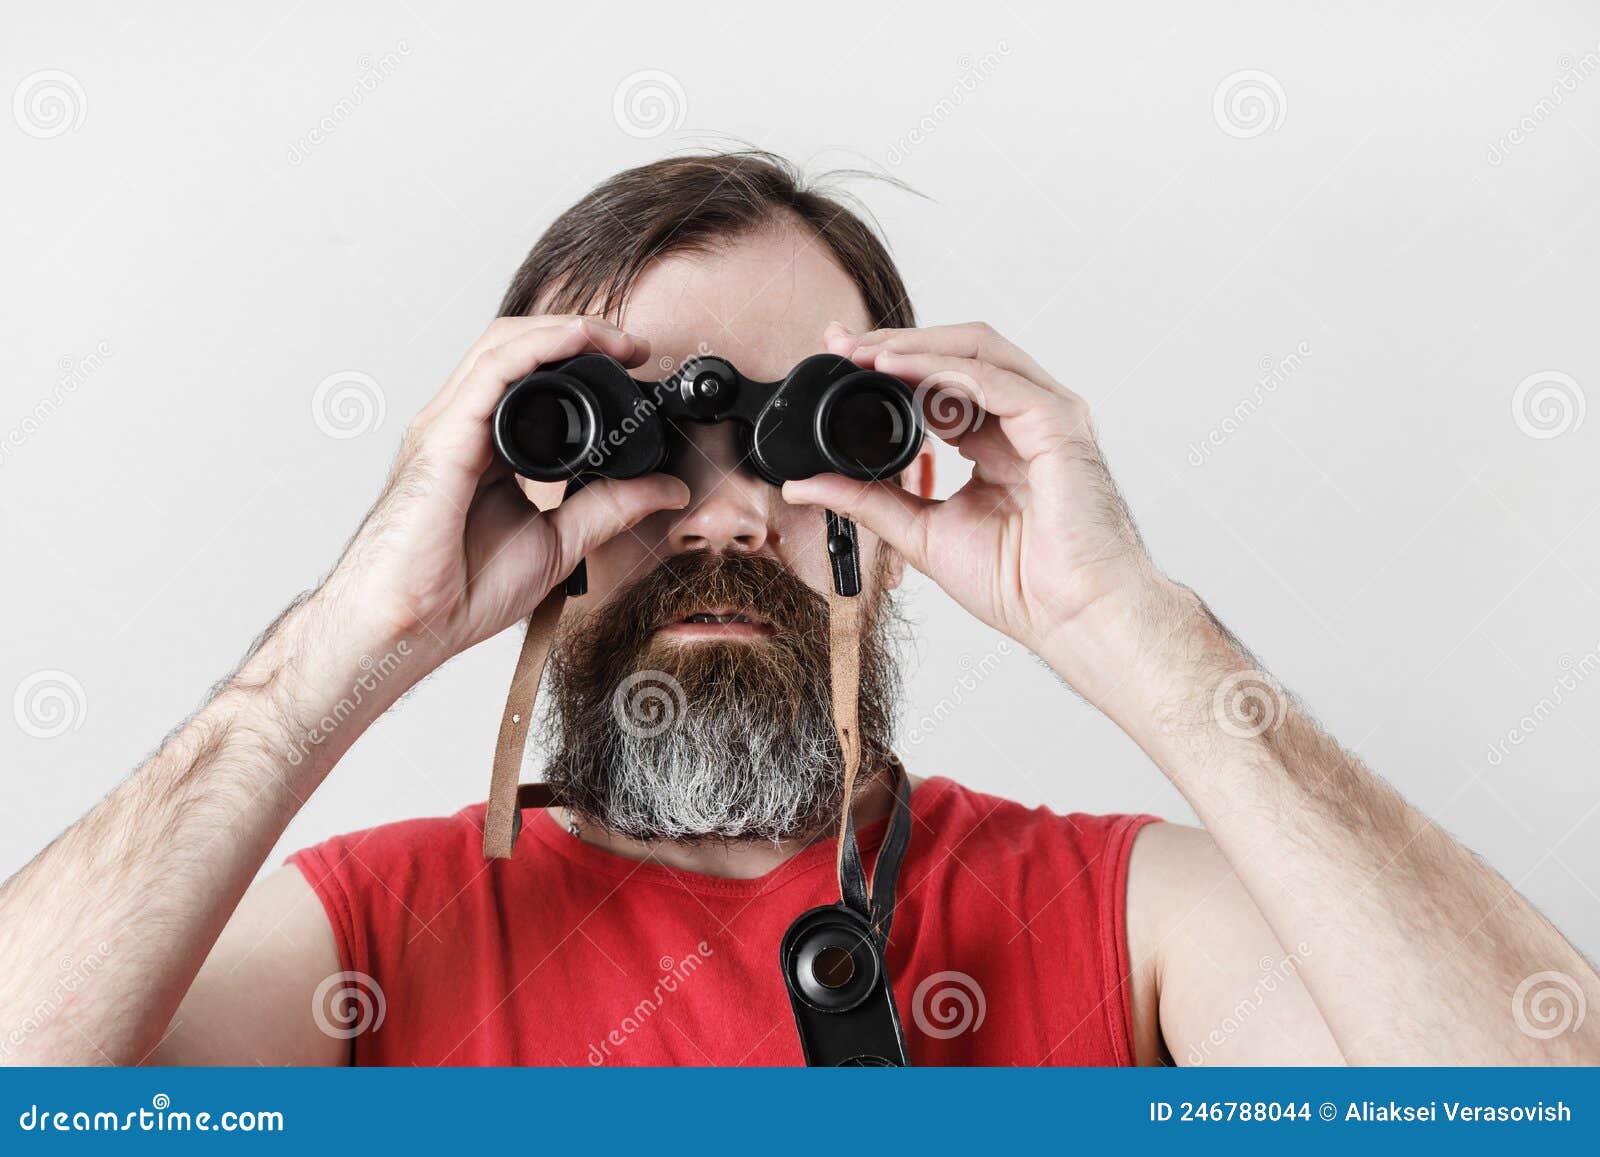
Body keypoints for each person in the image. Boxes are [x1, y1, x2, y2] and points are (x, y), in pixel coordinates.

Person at [1, 151, 1594, 1066]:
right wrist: (348, 638)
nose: (730, 508)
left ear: (902, 490)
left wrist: (1128, 622)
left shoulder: (1124, 918)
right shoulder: (367, 937)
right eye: (631, 437)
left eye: (804, 430)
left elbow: (1535, 1100)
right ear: (523, 475)